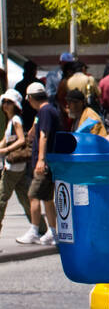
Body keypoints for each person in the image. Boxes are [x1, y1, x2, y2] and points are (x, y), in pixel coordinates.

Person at [16, 82, 61, 246]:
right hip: (49, 161)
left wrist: (41, 160)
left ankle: (34, 231)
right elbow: (36, 131)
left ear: (29, 98)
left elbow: (44, 135)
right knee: (47, 198)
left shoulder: (45, 111)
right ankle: (53, 232)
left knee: (33, 196)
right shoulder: (46, 111)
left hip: (44, 162)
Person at [0, 89, 31, 239]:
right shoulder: (11, 120)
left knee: (1, 198)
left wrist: (5, 149)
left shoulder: (16, 120)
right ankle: (42, 229)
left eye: (9, 102)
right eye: (4, 102)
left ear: (15, 105)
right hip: (17, 167)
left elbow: (21, 140)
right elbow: (5, 141)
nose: (5, 105)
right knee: (25, 199)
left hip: (13, 167)